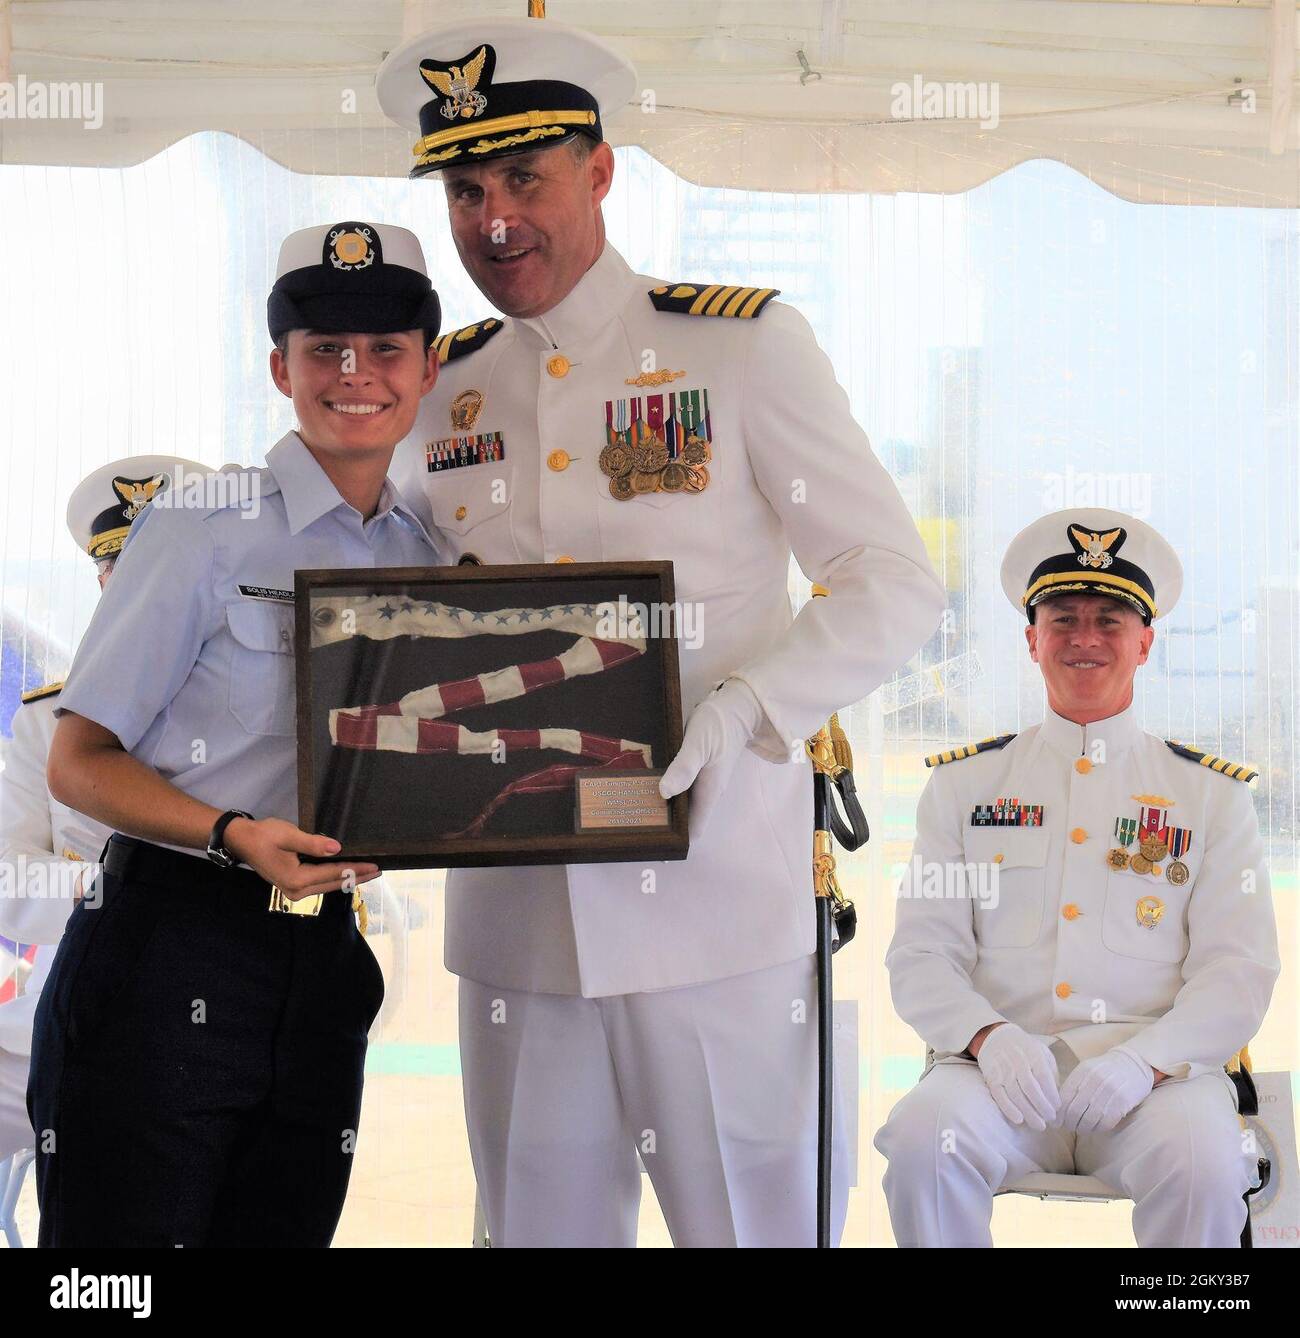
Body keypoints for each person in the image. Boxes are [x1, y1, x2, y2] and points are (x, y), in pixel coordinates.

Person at [376, 16, 946, 1247]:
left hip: (717, 909)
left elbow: (890, 578)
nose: (494, 219)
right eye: (466, 189)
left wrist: (750, 707)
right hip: (517, 910)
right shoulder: (448, 385)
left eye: (523, 177)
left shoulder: (737, 348)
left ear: (599, 171)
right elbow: (396, 605)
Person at [28, 221, 443, 1247]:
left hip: (323, 966)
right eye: (324, 351)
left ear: (429, 368)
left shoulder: (428, 552)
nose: (357, 375)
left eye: (387, 348)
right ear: (280, 368)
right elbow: (78, 761)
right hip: (169, 951)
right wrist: (228, 832)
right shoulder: (201, 524)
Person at [873, 507, 1280, 1248]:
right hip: (995, 1075)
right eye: (1063, 619)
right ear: (1032, 640)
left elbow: (1238, 970)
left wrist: (1146, 1060)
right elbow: (922, 953)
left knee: (1208, 1162)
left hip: (1153, 1082)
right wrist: (987, 1035)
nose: (1084, 639)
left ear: (1145, 642)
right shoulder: (964, 787)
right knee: (921, 1142)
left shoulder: (1211, 796)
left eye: (1109, 619)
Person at [0, 456, 204, 1163]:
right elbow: (10, 883)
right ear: (103, 583)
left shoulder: (270, 709)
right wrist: (138, 897)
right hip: (63, 1018)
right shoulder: (48, 720)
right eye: (125, 570)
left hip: (221, 1017)